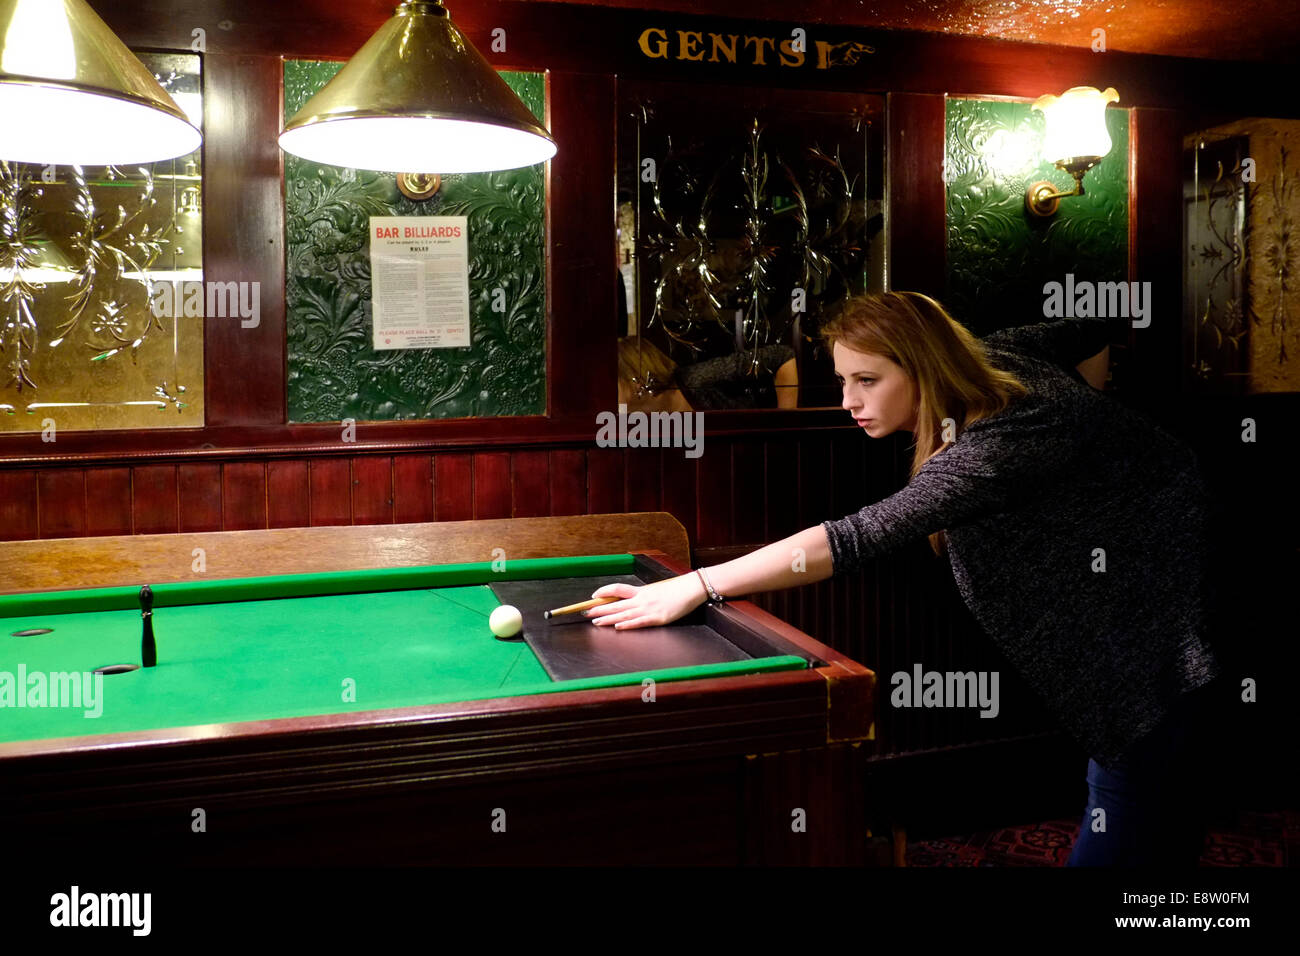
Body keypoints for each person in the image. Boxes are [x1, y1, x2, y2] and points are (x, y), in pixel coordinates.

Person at [586, 290, 1222, 867]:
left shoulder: (996, 442)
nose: (849, 402)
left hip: (1152, 654)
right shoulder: (1004, 357)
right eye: (842, 380)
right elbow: (1100, 321)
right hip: (1143, 639)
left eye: (868, 379)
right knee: (1164, 827)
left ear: (926, 367)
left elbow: (852, 538)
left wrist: (695, 584)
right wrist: (1099, 441)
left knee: (1133, 800)